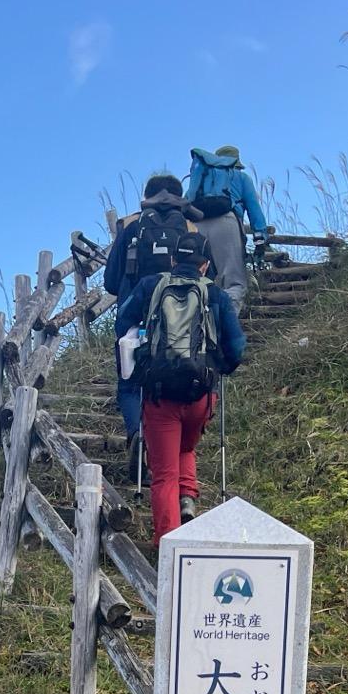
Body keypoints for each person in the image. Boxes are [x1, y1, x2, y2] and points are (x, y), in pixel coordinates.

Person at [116, 233, 245, 544]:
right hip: (200, 392)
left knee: (163, 476)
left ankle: (168, 544)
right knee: (186, 448)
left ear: (173, 260)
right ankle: (187, 498)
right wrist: (220, 368)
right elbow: (237, 347)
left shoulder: (151, 285)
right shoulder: (216, 294)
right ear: (205, 265)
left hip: (160, 393)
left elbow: (123, 322)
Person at [102, 174, 209, 481]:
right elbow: (207, 278)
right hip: (179, 321)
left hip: (133, 314)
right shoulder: (190, 228)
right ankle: (166, 446)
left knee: (130, 382)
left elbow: (110, 282)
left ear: (146, 196)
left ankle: (137, 434)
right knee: (166, 379)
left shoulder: (131, 226)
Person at [185, 145, 269, 309]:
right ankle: (229, 326)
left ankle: (200, 323)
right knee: (234, 282)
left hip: (197, 225)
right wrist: (261, 236)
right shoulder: (241, 177)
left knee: (200, 279)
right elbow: (254, 210)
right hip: (226, 224)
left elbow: (187, 201)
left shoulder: (202, 177)